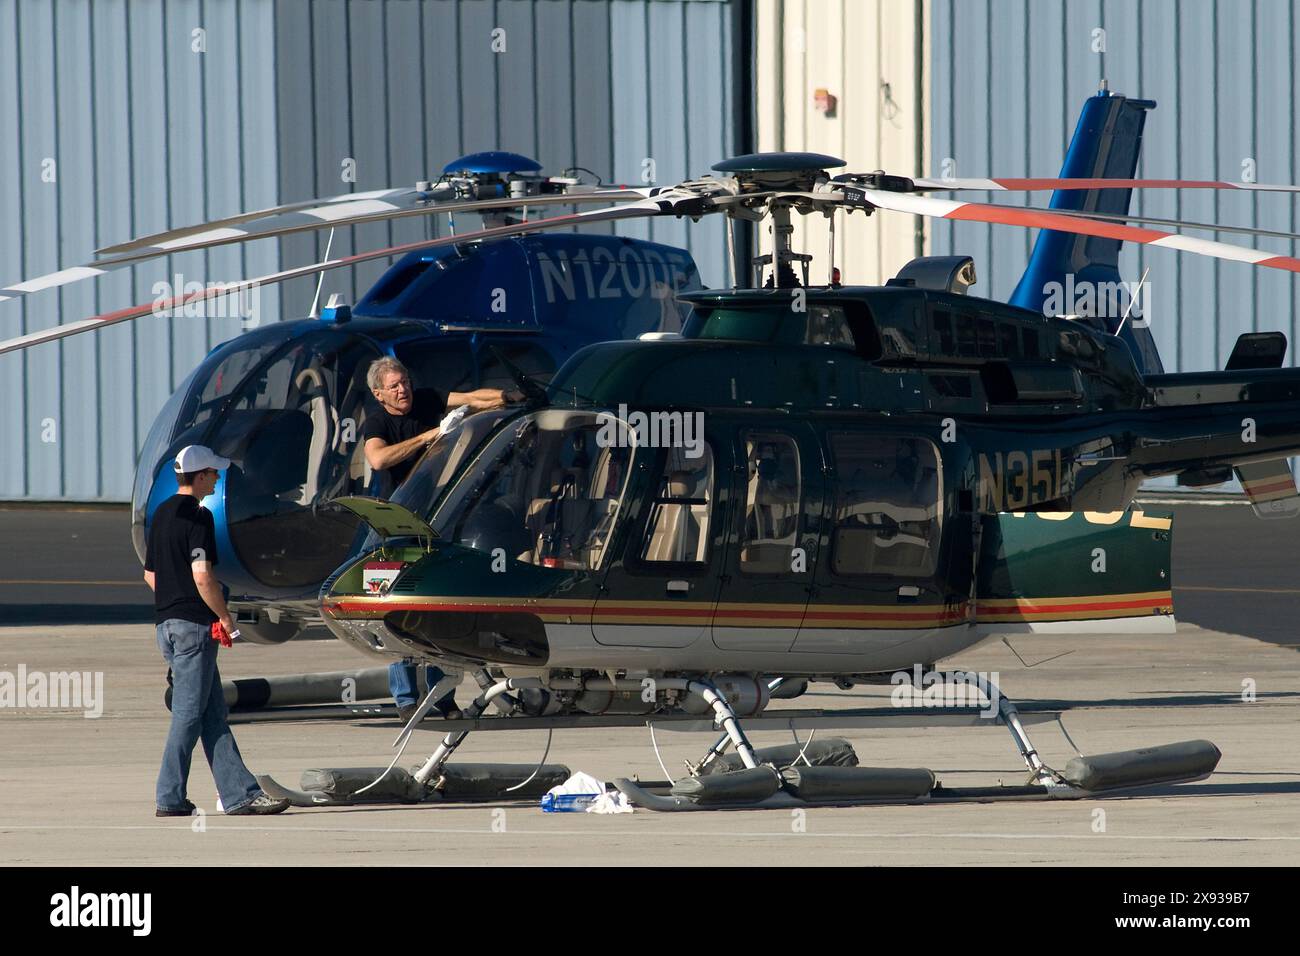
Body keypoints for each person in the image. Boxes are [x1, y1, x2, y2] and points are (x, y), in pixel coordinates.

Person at [362, 356, 515, 722]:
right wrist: (431, 436)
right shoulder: (377, 422)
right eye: (395, 386)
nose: (404, 390)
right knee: (392, 603)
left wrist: (508, 397)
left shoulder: (428, 399)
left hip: (435, 519)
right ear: (379, 393)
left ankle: (441, 697)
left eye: (406, 382)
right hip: (392, 522)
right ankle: (405, 699)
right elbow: (379, 460)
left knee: (437, 605)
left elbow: (473, 399)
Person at [143, 445, 290, 817]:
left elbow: (150, 574)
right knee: (189, 714)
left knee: (212, 714)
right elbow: (203, 575)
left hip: (167, 626)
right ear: (200, 475)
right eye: (213, 473)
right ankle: (169, 796)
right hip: (194, 627)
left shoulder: (160, 515)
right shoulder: (199, 517)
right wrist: (224, 617)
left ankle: (240, 793)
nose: (218, 478)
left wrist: (173, 603)